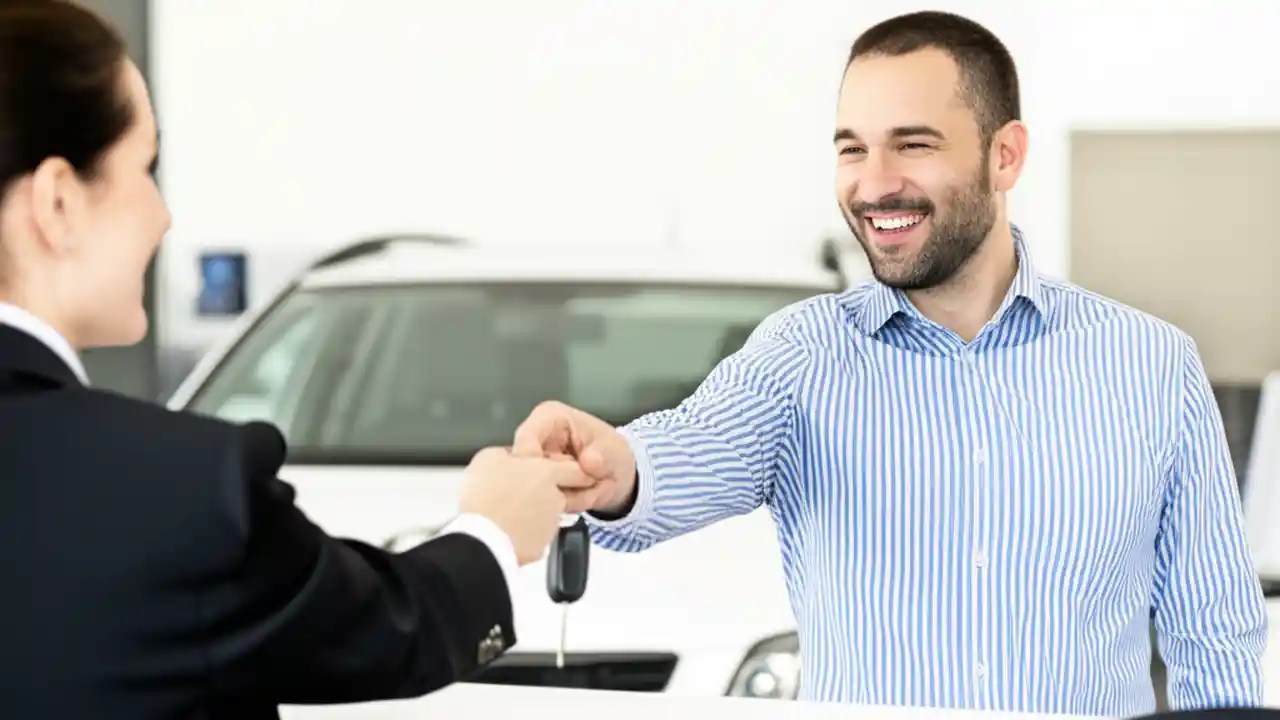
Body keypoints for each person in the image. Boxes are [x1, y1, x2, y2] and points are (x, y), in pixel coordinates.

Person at [513, 9, 1267, 718]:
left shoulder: (1151, 365)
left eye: (913, 144)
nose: (873, 184)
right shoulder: (802, 355)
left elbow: (1215, 630)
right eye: (852, 148)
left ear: (1006, 155)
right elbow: (683, 452)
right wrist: (617, 467)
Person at [0, 2, 590, 718]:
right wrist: (494, 529)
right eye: (144, 167)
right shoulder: (176, 495)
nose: (162, 214)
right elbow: (387, 629)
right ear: (59, 201)